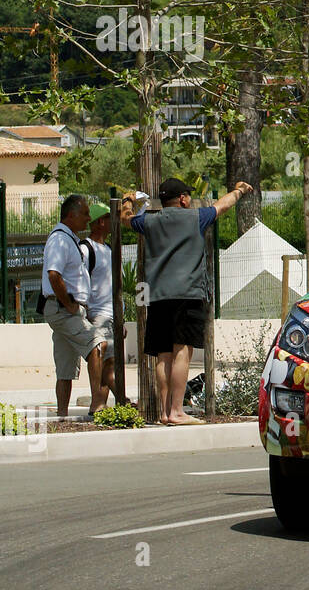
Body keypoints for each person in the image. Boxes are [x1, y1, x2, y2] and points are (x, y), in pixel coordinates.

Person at [125, 178, 252, 425]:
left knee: (163, 354)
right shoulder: (195, 217)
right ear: (182, 199)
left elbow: (125, 218)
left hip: (158, 295)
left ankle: (163, 412)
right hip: (188, 294)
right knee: (182, 349)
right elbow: (222, 206)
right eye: (188, 196)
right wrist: (239, 190)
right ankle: (177, 411)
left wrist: (129, 201)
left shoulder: (148, 221)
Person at [42, 195, 106, 418]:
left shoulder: (69, 239)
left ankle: (61, 415)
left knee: (66, 368)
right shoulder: (60, 239)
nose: (89, 219)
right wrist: (69, 304)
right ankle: (97, 406)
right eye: (85, 213)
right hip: (63, 309)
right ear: (71, 215)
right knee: (98, 346)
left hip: (65, 309)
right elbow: (54, 275)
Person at [83, 202, 124, 406]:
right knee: (105, 363)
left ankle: (103, 406)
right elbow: (81, 282)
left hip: (112, 315)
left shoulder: (109, 249)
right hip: (98, 315)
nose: (113, 223)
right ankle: (112, 403)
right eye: (110, 219)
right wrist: (86, 313)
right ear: (100, 222)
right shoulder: (86, 249)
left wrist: (121, 319)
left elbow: (116, 286)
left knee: (110, 366)